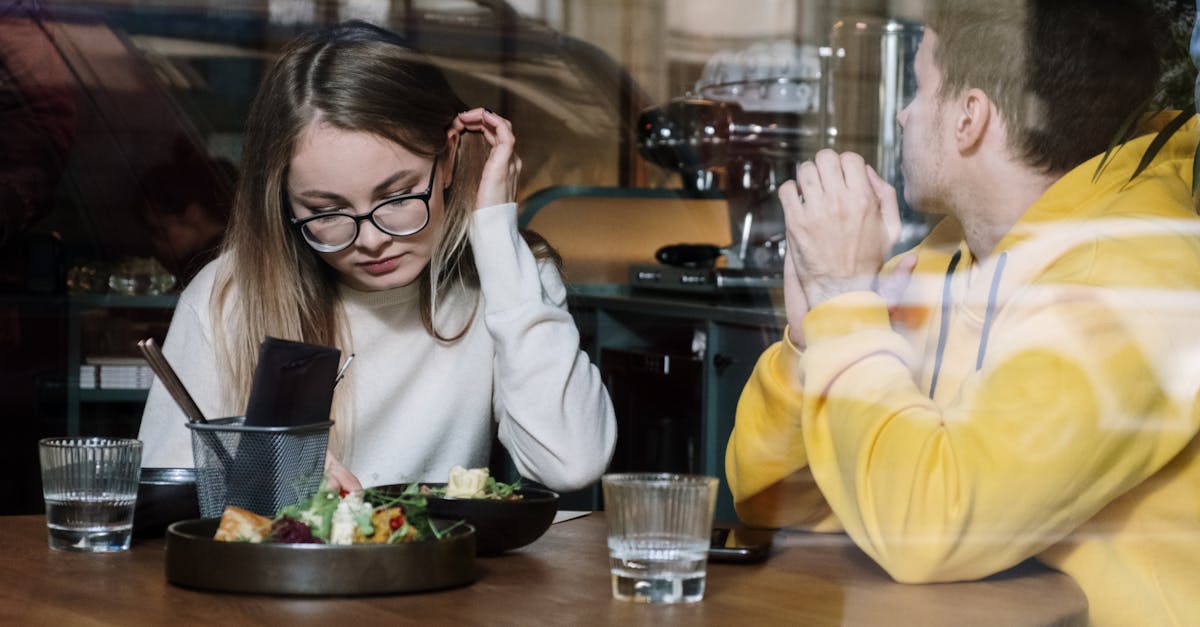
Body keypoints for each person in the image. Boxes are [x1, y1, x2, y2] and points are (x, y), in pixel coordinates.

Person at [725, 1, 1200, 625]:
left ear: (970, 117)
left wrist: (845, 300)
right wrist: (817, 336)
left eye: (919, 89)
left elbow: (931, 524)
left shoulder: (1137, 282)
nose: (902, 113)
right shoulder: (945, 261)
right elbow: (773, 500)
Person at [138, 20, 616, 494]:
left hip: (440, 569)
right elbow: (164, 498)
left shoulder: (510, 277)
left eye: (399, 196)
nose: (369, 240)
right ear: (283, 201)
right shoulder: (227, 297)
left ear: (447, 159)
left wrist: (494, 234)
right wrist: (262, 477)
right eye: (326, 211)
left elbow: (571, 462)